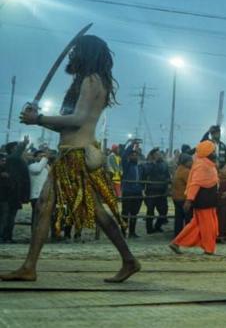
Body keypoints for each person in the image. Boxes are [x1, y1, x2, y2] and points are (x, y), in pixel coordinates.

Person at [1, 34, 138, 283]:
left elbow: (77, 120)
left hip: (76, 156)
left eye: (76, 50)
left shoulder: (91, 80)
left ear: (86, 53)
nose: (72, 54)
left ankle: (128, 259)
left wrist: (39, 119)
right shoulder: (92, 81)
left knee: (84, 210)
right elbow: (68, 127)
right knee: (47, 206)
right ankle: (29, 266)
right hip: (71, 152)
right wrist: (39, 118)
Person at [170, 141, 220, 255]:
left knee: (195, 225)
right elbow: (195, 184)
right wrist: (189, 200)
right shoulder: (202, 166)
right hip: (204, 201)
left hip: (209, 200)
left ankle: (176, 242)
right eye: (212, 150)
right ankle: (208, 249)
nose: (214, 152)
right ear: (207, 152)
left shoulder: (208, 164)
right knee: (208, 226)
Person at [1, 141, 30, 242]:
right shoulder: (11, 159)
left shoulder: (17, 161)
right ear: (13, 149)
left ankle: (7, 237)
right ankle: (4, 237)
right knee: (6, 217)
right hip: (8, 195)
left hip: (15, 194)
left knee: (10, 217)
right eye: (16, 147)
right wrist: (23, 144)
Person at [141, 148, 171, 235]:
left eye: (159, 154)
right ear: (153, 156)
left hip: (162, 191)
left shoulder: (164, 164)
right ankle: (149, 229)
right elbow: (144, 175)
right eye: (157, 154)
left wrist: (167, 186)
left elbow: (167, 176)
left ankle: (158, 226)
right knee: (150, 211)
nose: (159, 155)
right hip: (151, 191)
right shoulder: (148, 165)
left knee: (163, 211)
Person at [119, 141, 143, 239]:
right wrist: (131, 145)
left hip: (137, 193)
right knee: (125, 213)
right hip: (128, 192)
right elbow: (124, 155)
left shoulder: (140, 167)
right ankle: (123, 232)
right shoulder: (127, 165)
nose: (135, 156)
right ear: (129, 157)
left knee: (134, 213)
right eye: (132, 155)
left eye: (136, 155)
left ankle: (132, 232)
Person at [28, 149, 50, 231]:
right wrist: (45, 158)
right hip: (36, 195)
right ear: (35, 158)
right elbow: (38, 169)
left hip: (46, 195)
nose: (43, 158)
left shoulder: (46, 166)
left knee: (44, 216)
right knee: (37, 215)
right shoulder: (32, 166)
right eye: (41, 156)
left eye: (44, 156)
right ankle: (34, 232)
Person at [171, 154, 192, 236]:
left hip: (176, 198)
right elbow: (191, 184)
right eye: (190, 161)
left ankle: (177, 235)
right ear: (186, 162)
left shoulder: (178, 169)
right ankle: (187, 236)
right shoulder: (186, 171)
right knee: (188, 218)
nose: (192, 163)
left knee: (178, 219)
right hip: (183, 198)